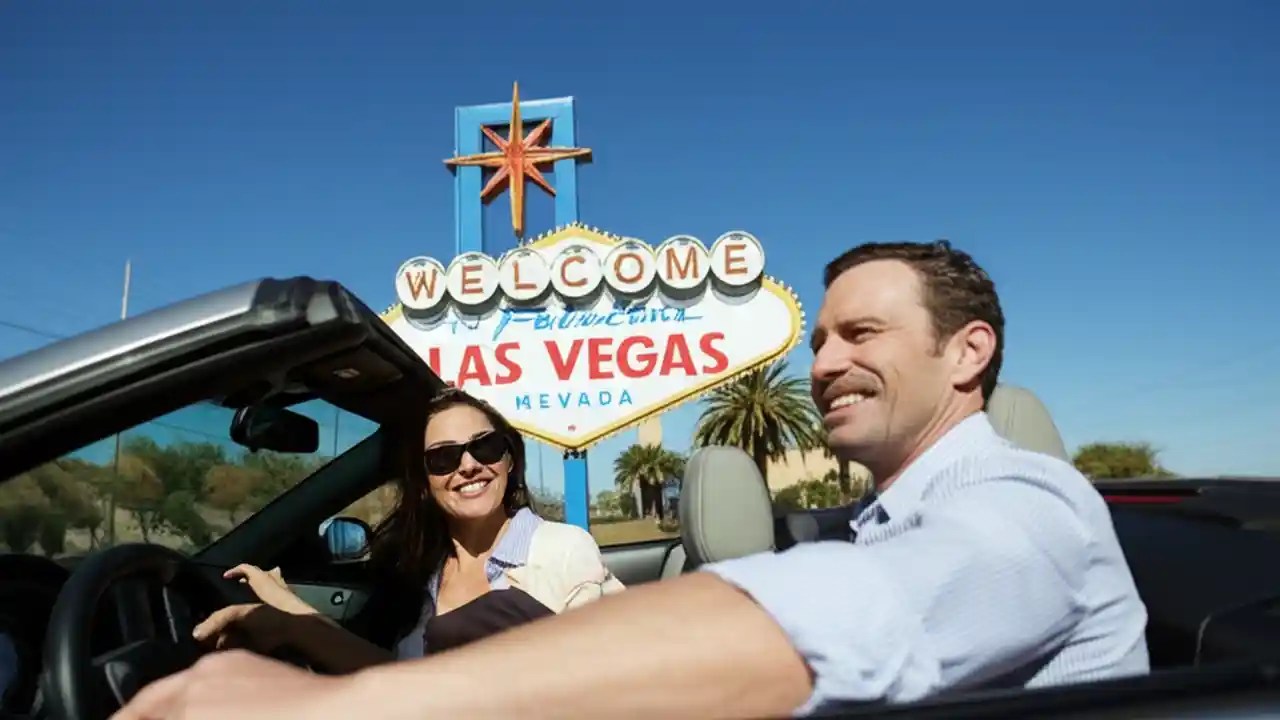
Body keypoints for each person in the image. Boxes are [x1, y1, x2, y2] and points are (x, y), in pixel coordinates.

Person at [113, 240, 1148, 720]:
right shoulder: (876, 521)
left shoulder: (1029, 507)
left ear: (966, 353)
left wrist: (330, 710)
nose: (822, 362)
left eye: (860, 333)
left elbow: (863, 616)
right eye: (820, 338)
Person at [190, 387, 624, 672]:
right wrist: (287, 614)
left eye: (485, 447)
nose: (469, 465)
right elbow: (394, 679)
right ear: (424, 483)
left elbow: (617, 678)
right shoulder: (422, 569)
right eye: (443, 457)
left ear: (510, 460)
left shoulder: (563, 550)